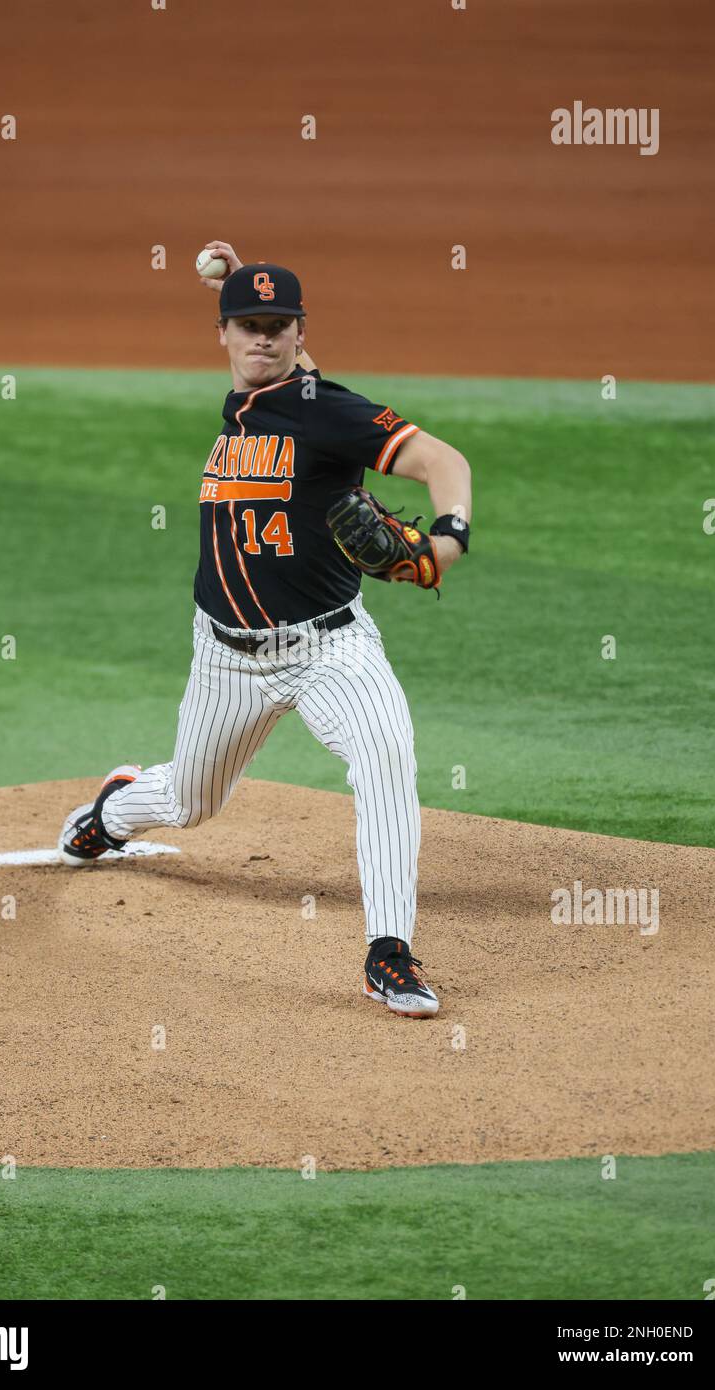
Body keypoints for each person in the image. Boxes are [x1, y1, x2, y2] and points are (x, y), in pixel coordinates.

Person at [58, 241, 472, 1017]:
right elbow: (270, 363)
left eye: (277, 324)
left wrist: (446, 540)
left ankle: (388, 953)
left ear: (298, 330)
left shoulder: (331, 410)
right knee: (190, 800)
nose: (262, 337)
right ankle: (114, 811)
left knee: (385, 758)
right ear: (223, 333)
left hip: (330, 647)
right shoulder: (250, 398)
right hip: (224, 657)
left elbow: (440, 458)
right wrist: (248, 270)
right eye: (247, 323)